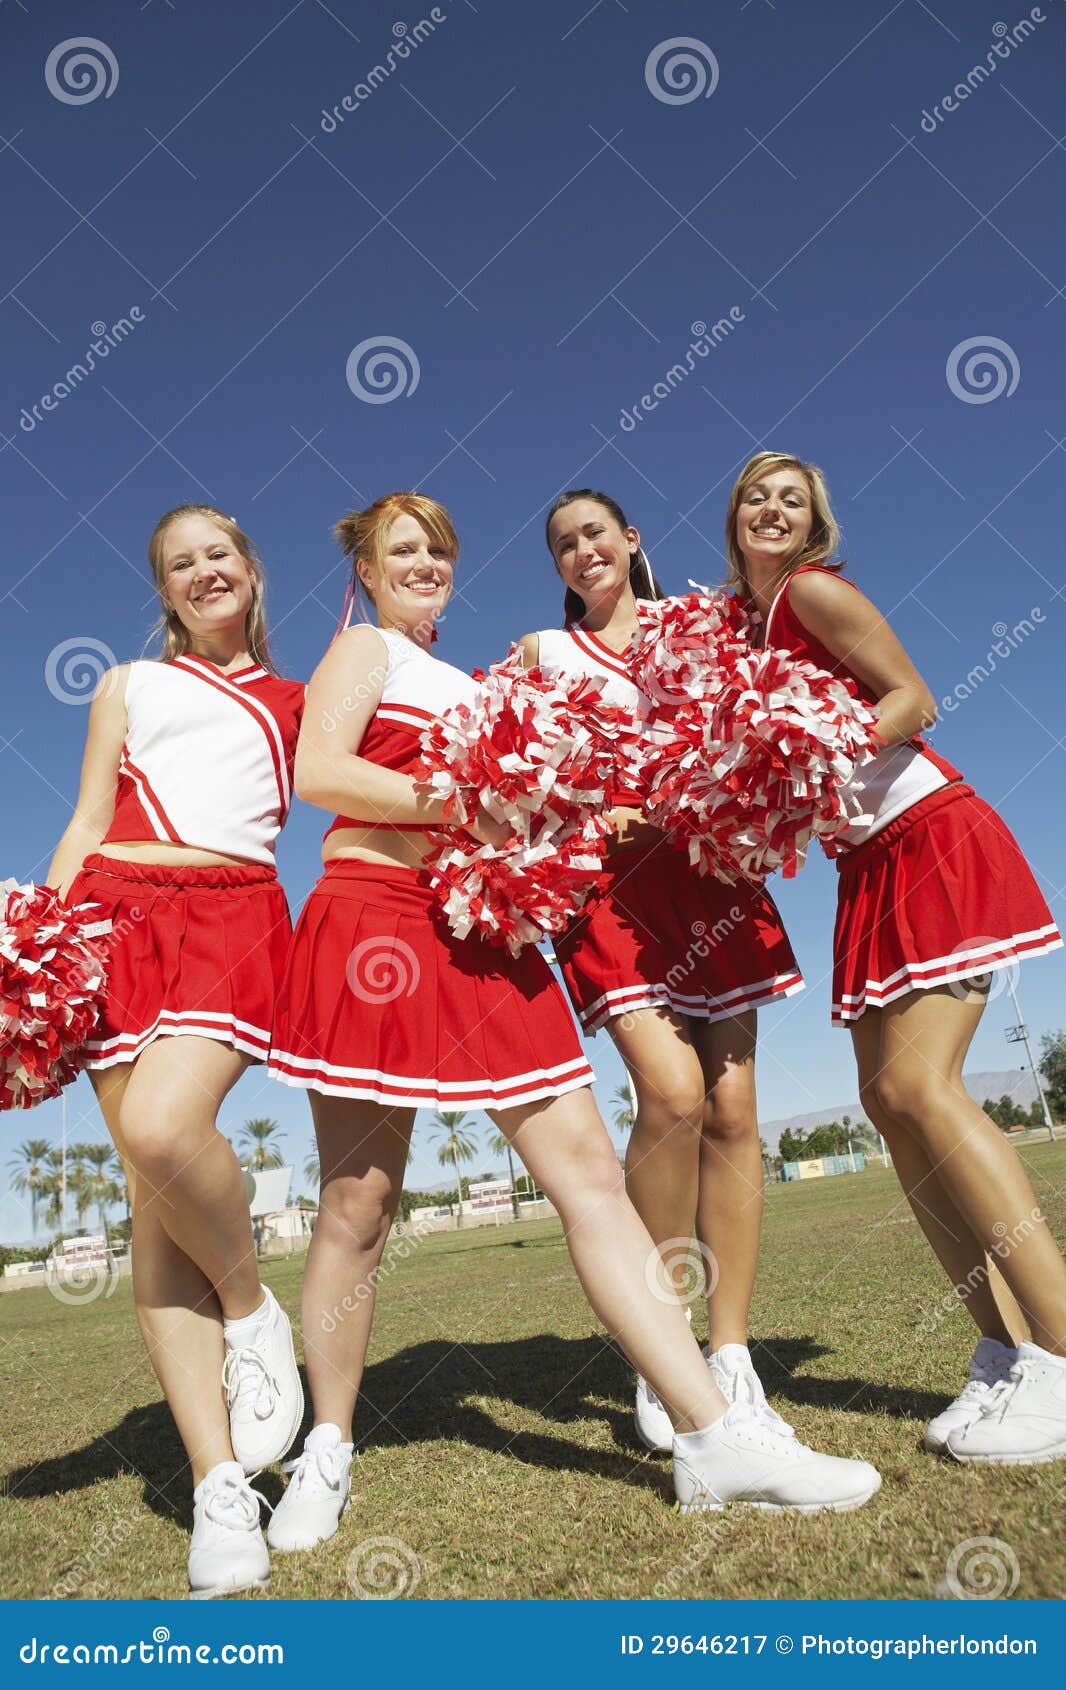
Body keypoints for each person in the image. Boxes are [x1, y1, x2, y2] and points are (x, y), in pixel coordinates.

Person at [265, 491, 880, 1549]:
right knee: (358, 1206)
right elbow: (318, 771)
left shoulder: (472, 680)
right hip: (376, 929)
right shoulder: (363, 650)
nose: (423, 563)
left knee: (593, 1179)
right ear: (363, 571)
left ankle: (709, 1433)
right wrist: (471, 800)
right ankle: (326, 1446)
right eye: (400, 549)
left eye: (438, 548)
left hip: (484, 937)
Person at [729, 449, 1066, 1464]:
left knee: (924, 1086)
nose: (775, 508)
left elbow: (913, 700)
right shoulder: (746, 635)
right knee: (886, 1102)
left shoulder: (811, 593)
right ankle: (1001, 1353)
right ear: (733, 515)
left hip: (931, 836)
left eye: (795, 498)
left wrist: (802, 764)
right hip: (867, 865)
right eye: (757, 495)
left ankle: (1058, 1352)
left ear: (814, 524)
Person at [48, 505, 305, 1597]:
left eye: (219, 554)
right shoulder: (125, 682)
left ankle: (249, 1305)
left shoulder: (303, 701)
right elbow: (86, 818)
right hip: (113, 916)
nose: (204, 571)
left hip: (235, 910)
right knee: (151, 1203)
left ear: (251, 568)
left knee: (163, 1126)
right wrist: (38, 951)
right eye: (180, 562)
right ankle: (219, 1486)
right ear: (165, 590)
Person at [516, 491, 803, 1454]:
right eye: (562, 544)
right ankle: (661, 1342)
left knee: (733, 1114)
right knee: (673, 1096)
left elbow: (769, 707)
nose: (581, 550)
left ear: (632, 539)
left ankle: (729, 1354)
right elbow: (514, 771)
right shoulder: (540, 655)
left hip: (714, 875)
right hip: (611, 895)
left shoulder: (703, 622)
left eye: (595, 532)